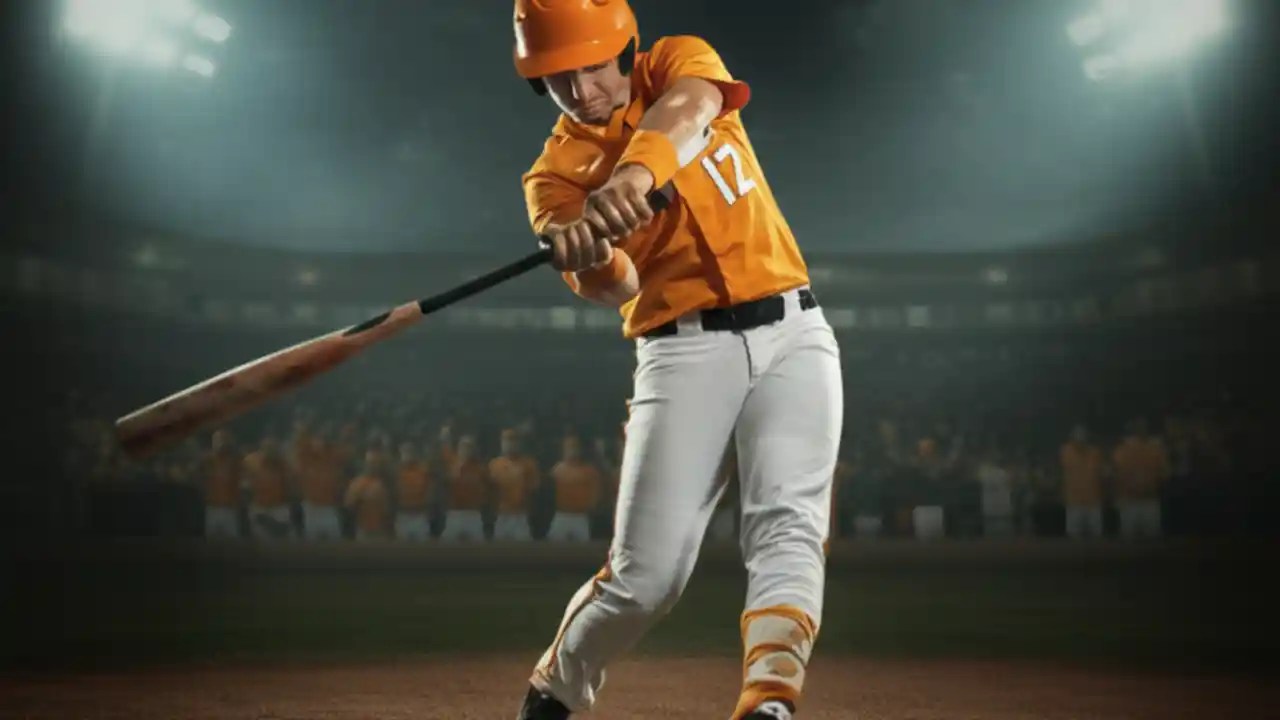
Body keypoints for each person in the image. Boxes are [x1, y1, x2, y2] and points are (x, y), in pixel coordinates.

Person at [511, 2, 842, 718]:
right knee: (647, 577)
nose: (582, 90)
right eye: (559, 78)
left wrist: (629, 180)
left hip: (795, 328)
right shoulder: (551, 179)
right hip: (681, 350)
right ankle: (555, 690)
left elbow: (692, 110)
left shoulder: (675, 62)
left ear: (625, 49)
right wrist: (590, 252)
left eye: (593, 67)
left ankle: (769, 700)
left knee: (789, 525)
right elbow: (618, 288)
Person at [547, 434, 604, 542]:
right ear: (563, 449)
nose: (572, 450)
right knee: (554, 548)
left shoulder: (590, 471)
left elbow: (596, 496)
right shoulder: (556, 470)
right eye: (569, 446)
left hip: (581, 517)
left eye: (575, 446)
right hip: (561, 516)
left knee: (584, 548)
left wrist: (591, 511)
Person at [489, 428, 541, 542]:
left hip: (521, 516)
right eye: (506, 439)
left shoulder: (529, 464)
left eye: (513, 439)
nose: (510, 443)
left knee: (523, 550)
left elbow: (533, 491)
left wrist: (528, 511)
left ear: (519, 442)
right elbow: (491, 491)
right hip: (501, 516)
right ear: (501, 442)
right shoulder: (494, 465)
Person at [1060, 424, 1105, 539]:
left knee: (1096, 535)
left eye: (1083, 434)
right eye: (1078, 434)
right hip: (1074, 501)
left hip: (1093, 501)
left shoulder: (1095, 453)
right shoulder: (1066, 452)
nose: (1081, 437)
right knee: (1074, 536)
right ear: (1072, 437)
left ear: (1088, 437)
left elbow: (1101, 474)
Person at [394, 441, 433, 542]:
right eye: (405, 452)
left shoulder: (423, 470)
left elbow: (429, 491)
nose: (408, 455)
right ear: (400, 454)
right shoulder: (396, 472)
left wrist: (427, 510)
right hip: (403, 515)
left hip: (419, 515)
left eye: (410, 452)